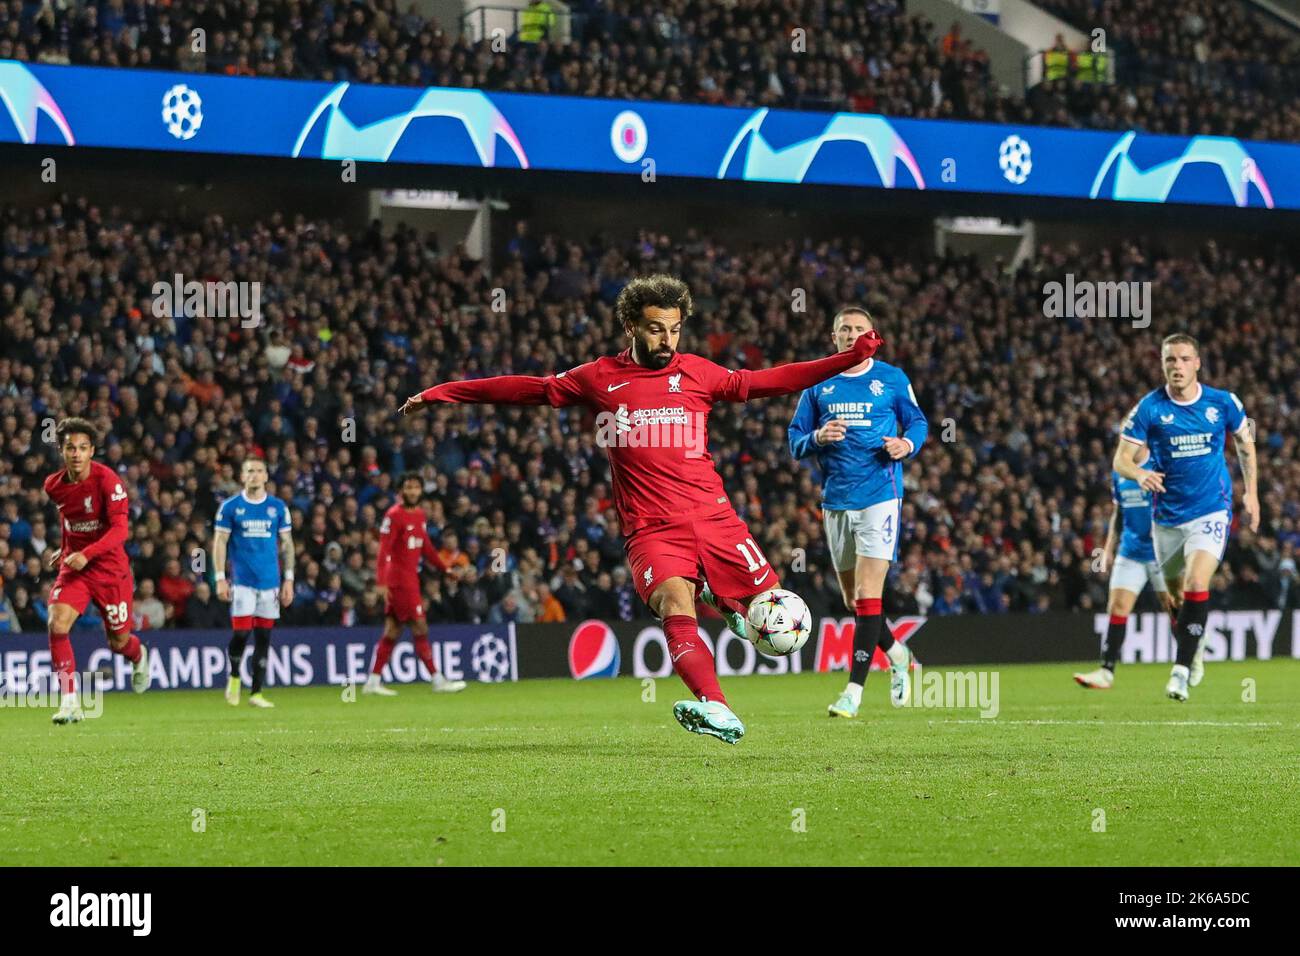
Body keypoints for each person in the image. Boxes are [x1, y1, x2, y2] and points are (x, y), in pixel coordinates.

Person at [400, 274, 882, 743]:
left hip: (716, 519)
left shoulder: (697, 372)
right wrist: (446, 391)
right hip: (652, 529)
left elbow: (773, 380)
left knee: (776, 613)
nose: (667, 340)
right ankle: (717, 705)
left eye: (675, 329)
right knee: (675, 603)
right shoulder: (599, 378)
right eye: (656, 329)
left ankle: (726, 604)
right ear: (630, 325)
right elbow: (529, 389)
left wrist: (847, 359)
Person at [787, 306, 928, 717]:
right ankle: (899, 654)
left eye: (859, 329)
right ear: (833, 337)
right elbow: (795, 441)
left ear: (872, 336)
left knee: (868, 595)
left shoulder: (891, 378)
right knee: (853, 600)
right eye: (844, 329)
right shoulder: (818, 383)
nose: (851, 335)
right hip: (836, 499)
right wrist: (817, 436)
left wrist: (906, 444)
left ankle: (853, 692)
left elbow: (917, 423)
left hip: (880, 495)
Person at [1113, 333, 1259, 701]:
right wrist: (1139, 474)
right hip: (1166, 518)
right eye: (1170, 360)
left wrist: (1252, 494)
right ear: (1163, 365)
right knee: (1176, 599)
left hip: (1211, 510)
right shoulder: (1149, 408)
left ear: (1197, 363)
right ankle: (1195, 645)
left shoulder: (1222, 402)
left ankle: (1180, 671)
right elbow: (1120, 460)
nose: (1177, 366)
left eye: (1183, 359)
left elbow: (1245, 445)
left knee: (1197, 581)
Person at [42, 417, 150, 724]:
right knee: (57, 623)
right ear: (62, 451)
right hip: (75, 567)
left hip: (109, 569)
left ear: (92, 451)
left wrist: (86, 554)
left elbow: (120, 530)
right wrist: (65, 548)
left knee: (118, 642)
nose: (76, 453)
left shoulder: (108, 482)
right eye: (70, 448)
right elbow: (69, 519)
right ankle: (70, 702)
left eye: (82, 448)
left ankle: (138, 655)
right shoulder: (53, 485)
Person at [1074, 443, 1179, 689]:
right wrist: (1108, 548)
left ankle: (1189, 657)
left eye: (1130, 438)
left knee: (1174, 607)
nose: (1126, 442)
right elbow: (1118, 512)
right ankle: (1106, 671)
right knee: (1117, 607)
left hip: (1161, 552)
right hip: (1130, 552)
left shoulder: (1159, 464)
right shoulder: (1119, 470)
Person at [363, 472, 467, 696]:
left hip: (410, 579)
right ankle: (437, 680)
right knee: (420, 627)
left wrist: (445, 569)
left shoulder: (419, 515)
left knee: (392, 630)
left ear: (421, 490)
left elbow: (426, 547)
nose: (412, 491)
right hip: (400, 582)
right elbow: (383, 550)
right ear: (401, 491)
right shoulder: (393, 515)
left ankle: (373, 680)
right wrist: (381, 582)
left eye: (416, 487)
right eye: (408, 487)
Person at [212, 458, 295, 709]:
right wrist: (220, 578)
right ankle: (235, 675)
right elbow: (220, 542)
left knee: (263, 637)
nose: (255, 475)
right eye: (250, 471)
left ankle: (256, 693)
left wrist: (289, 579)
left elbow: (287, 544)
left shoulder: (277, 507)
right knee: (241, 633)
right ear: (242, 476)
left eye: (259, 471)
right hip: (242, 582)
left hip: (270, 582)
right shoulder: (230, 507)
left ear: (266, 476)